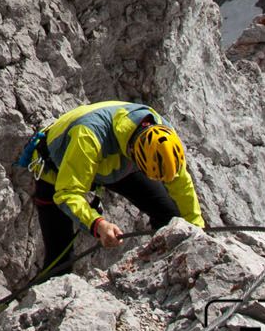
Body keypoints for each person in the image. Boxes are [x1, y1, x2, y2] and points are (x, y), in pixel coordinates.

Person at [17, 100, 203, 280]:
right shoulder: (88, 137)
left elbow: (181, 184)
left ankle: (166, 272)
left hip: (114, 162)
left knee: (170, 216)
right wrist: (98, 224)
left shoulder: (163, 139)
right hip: (57, 170)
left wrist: (197, 228)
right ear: (133, 152)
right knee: (59, 258)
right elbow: (67, 193)